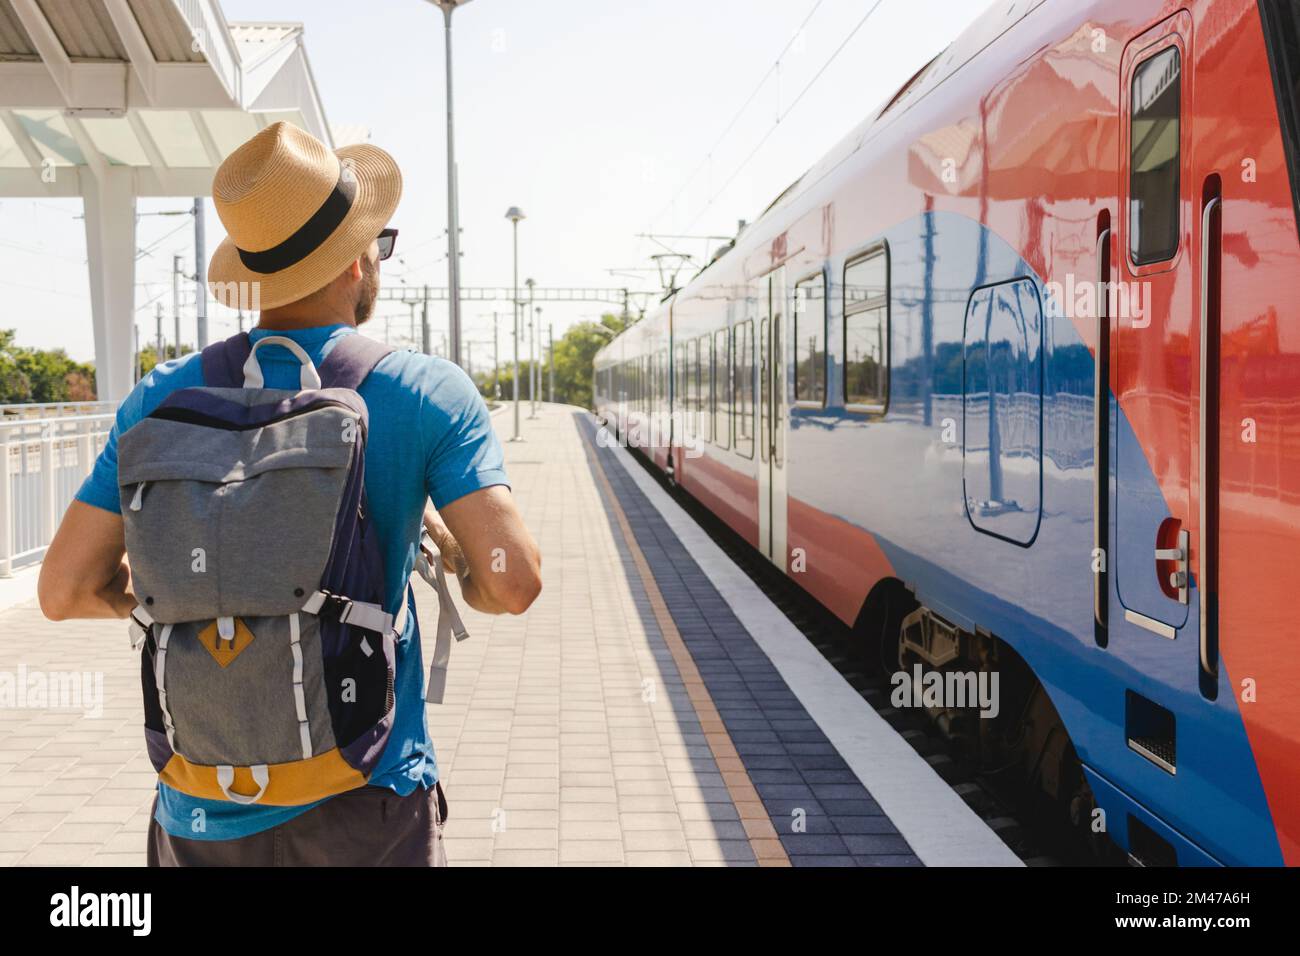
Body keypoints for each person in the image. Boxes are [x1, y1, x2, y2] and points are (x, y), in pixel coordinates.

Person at [37, 121, 542, 866]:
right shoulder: (423, 391)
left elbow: (63, 591)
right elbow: (513, 582)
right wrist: (461, 566)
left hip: (201, 810)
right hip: (368, 797)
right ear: (356, 260)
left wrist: (182, 597)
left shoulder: (159, 397)